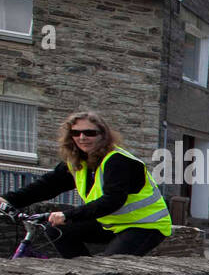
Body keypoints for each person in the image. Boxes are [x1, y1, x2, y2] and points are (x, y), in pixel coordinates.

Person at [0, 110, 172, 257]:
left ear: (103, 135)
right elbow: (47, 186)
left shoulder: (118, 161)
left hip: (144, 226)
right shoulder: (78, 162)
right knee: (56, 230)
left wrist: (68, 215)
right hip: (110, 223)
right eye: (76, 133)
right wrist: (8, 200)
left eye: (90, 133)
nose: (82, 137)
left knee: (109, 269)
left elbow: (113, 200)